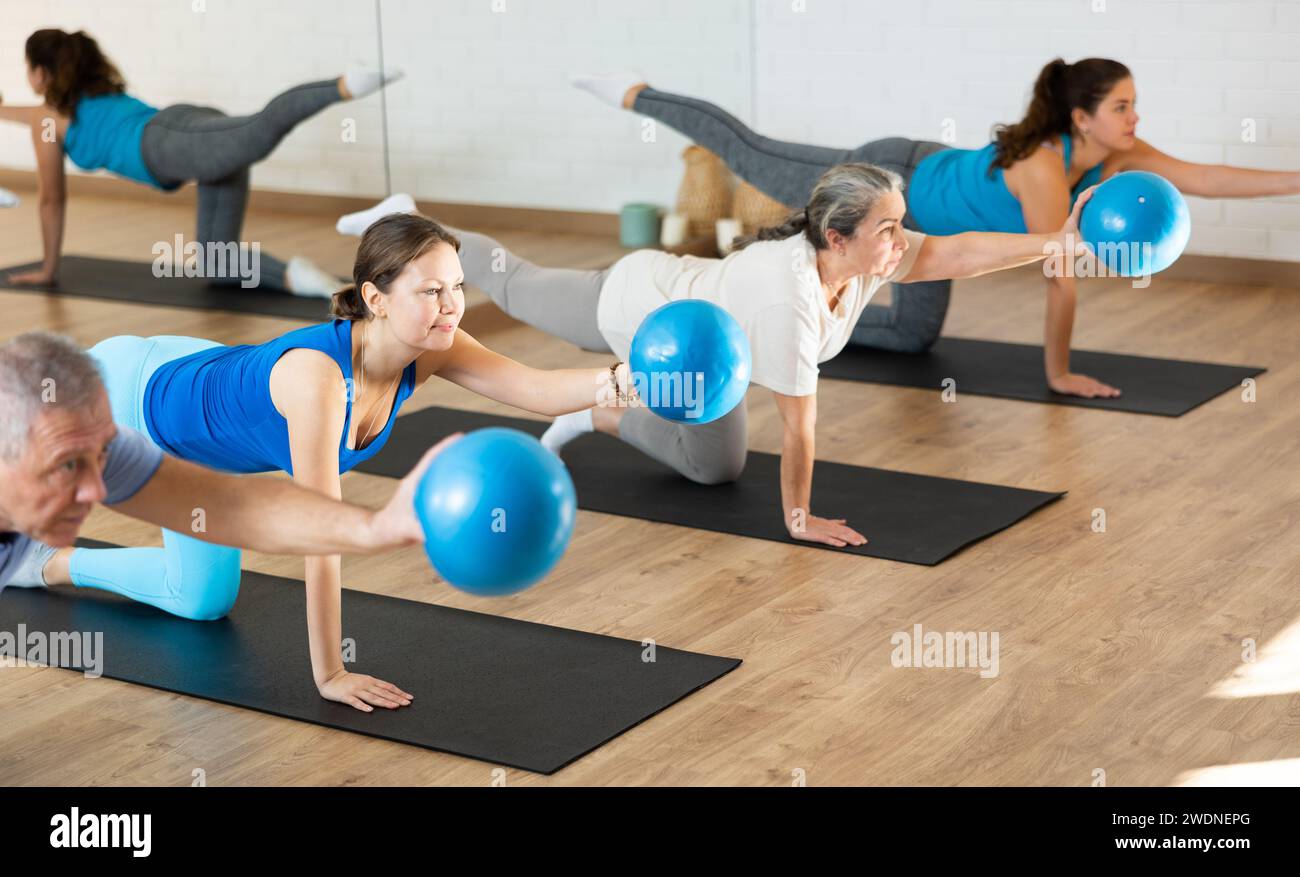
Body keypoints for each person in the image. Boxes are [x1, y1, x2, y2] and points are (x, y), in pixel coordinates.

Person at [23, 212, 635, 712]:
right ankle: (38, 540)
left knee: (202, 603)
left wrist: (622, 381)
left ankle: (55, 566)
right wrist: (330, 672)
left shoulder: (434, 344)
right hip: (137, 398)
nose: (451, 306)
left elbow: (535, 388)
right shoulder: (318, 382)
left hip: (211, 387)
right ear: (376, 298)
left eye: (456, 288)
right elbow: (319, 526)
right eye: (430, 291)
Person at [339, 162, 1093, 549]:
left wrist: (1054, 243)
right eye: (888, 229)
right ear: (837, 237)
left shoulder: (866, 258)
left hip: (708, 358)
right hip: (643, 305)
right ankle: (409, 219)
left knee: (714, 469)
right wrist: (799, 518)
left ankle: (594, 415)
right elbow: (799, 429)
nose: (902, 242)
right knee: (517, 282)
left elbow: (958, 251)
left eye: (901, 227)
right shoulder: (787, 297)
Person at [573, 59, 1300, 398]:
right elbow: (1061, 270)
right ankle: (636, 90)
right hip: (890, 179)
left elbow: (1207, 177)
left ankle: (779, 309)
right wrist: (1057, 373)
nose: (1135, 120)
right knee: (751, 153)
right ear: (1082, 118)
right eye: (1123, 107)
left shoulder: (1121, 157)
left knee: (915, 337)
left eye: (1136, 105)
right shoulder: (1047, 171)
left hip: (915, 241)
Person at [0, 331, 457, 712]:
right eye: (65, 467)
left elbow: (234, 507)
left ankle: (48, 565)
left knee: (202, 594)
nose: (97, 491)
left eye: (99, 457)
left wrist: (371, 528)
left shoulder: (97, 454)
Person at [0, 28, 403, 296]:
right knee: (217, 261)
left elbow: (51, 199)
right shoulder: (80, 99)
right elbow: (25, 113)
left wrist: (49, 269)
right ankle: (310, 282)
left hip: (173, 142)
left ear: (40, 73)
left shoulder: (47, 120)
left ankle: (346, 84)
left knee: (258, 130)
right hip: (185, 133)